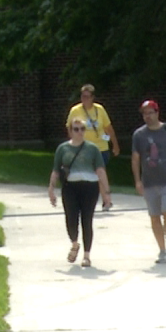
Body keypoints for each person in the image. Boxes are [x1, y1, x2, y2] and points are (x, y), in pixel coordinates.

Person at [48, 119, 113, 267]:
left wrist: (106, 193)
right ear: (70, 131)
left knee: (87, 220)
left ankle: (87, 255)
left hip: (89, 187)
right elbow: (56, 170)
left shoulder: (93, 149)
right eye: (76, 129)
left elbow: (100, 170)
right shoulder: (63, 149)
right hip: (70, 187)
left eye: (82, 129)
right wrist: (51, 188)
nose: (79, 132)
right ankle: (74, 243)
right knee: (71, 218)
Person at [132, 100, 166, 265]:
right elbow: (135, 158)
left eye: (150, 113)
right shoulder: (139, 135)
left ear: (157, 113)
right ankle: (162, 250)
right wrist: (137, 180)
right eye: (144, 113)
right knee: (154, 217)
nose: (147, 116)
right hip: (149, 182)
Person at [66, 84, 120, 167]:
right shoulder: (75, 110)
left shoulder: (100, 109)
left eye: (87, 97)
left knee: (99, 172)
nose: (85, 99)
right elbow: (69, 129)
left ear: (92, 97)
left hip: (101, 149)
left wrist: (115, 145)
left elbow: (108, 128)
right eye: (83, 96)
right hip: (84, 149)